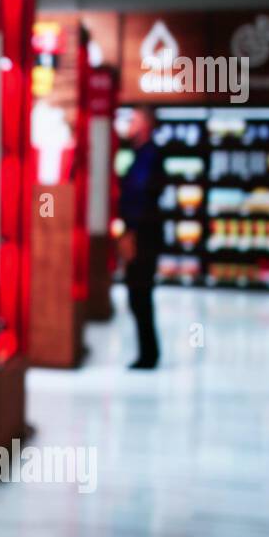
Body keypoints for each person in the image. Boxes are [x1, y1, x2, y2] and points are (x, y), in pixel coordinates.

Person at [116, 106, 164, 370]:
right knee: (138, 294)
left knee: (140, 293)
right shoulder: (141, 155)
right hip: (140, 232)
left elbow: (139, 193)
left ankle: (149, 354)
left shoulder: (149, 156)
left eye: (132, 120)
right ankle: (148, 352)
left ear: (145, 125)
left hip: (142, 235)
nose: (128, 125)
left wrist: (130, 230)